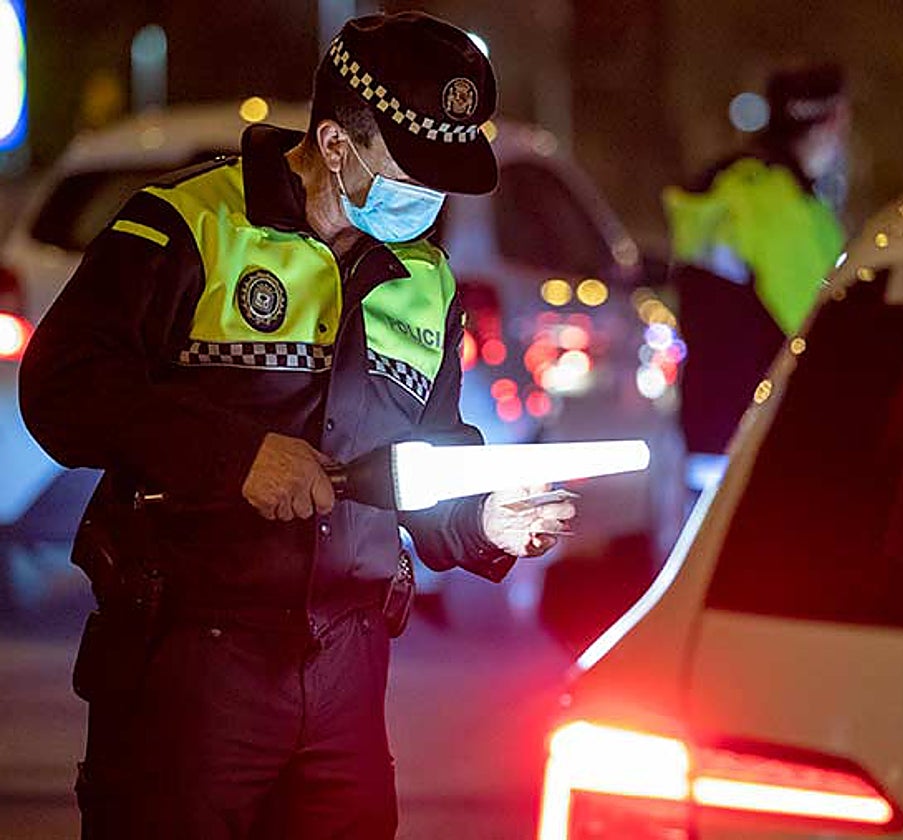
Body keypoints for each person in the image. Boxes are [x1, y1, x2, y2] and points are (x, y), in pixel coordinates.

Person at [19, 12, 574, 839]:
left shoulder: (424, 278)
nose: (428, 200)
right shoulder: (187, 225)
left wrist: (482, 521)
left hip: (348, 672)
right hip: (188, 669)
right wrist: (234, 457)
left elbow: (423, 460)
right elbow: (61, 388)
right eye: (412, 174)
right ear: (336, 144)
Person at [663, 64, 849, 460]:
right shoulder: (780, 205)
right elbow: (823, 330)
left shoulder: (729, 188)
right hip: (764, 438)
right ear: (832, 123)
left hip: (707, 427)